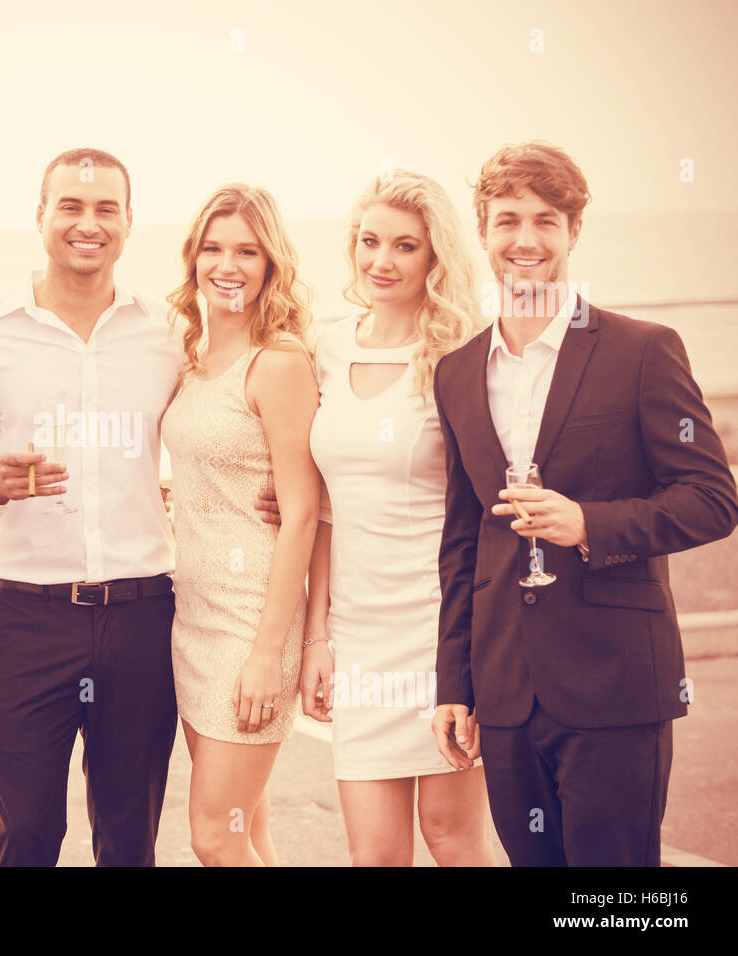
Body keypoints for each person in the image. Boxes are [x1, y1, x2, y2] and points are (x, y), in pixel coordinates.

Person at [431, 141, 738, 865]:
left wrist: (588, 524)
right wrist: (456, 683)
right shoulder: (457, 371)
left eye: (546, 220)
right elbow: (463, 542)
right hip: (505, 692)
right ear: (483, 231)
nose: (525, 240)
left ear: (574, 230)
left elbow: (713, 498)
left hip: (616, 684)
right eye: (508, 220)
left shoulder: (642, 350)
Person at [0, 147, 184, 866]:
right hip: (27, 622)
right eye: (71, 207)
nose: (89, 223)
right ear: (41, 215)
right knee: (25, 836)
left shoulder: (169, 332)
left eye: (106, 208)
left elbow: (221, 425)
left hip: (143, 616)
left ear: (130, 221)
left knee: (128, 840)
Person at [266, 171, 495, 866]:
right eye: (369, 242)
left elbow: (484, 508)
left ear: (435, 257)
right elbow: (324, 512)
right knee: (374, 856)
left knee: (453, 839)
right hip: (357, 638)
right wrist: (317, 639)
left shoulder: (463, 353)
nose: (382, 262)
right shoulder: (329, 350)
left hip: (443, 632)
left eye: (405, 246)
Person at [162, 184, 319, 866]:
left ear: (270, 264)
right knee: (247, 831)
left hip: (249, 622)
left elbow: (304, 512)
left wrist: (266, 653)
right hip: (190, 613)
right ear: (194, 258)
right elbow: (214, 461)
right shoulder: (194, 360)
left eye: (247, 251)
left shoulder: (278, 363)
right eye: (214, 248)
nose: (228, 266)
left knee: (214, 838)